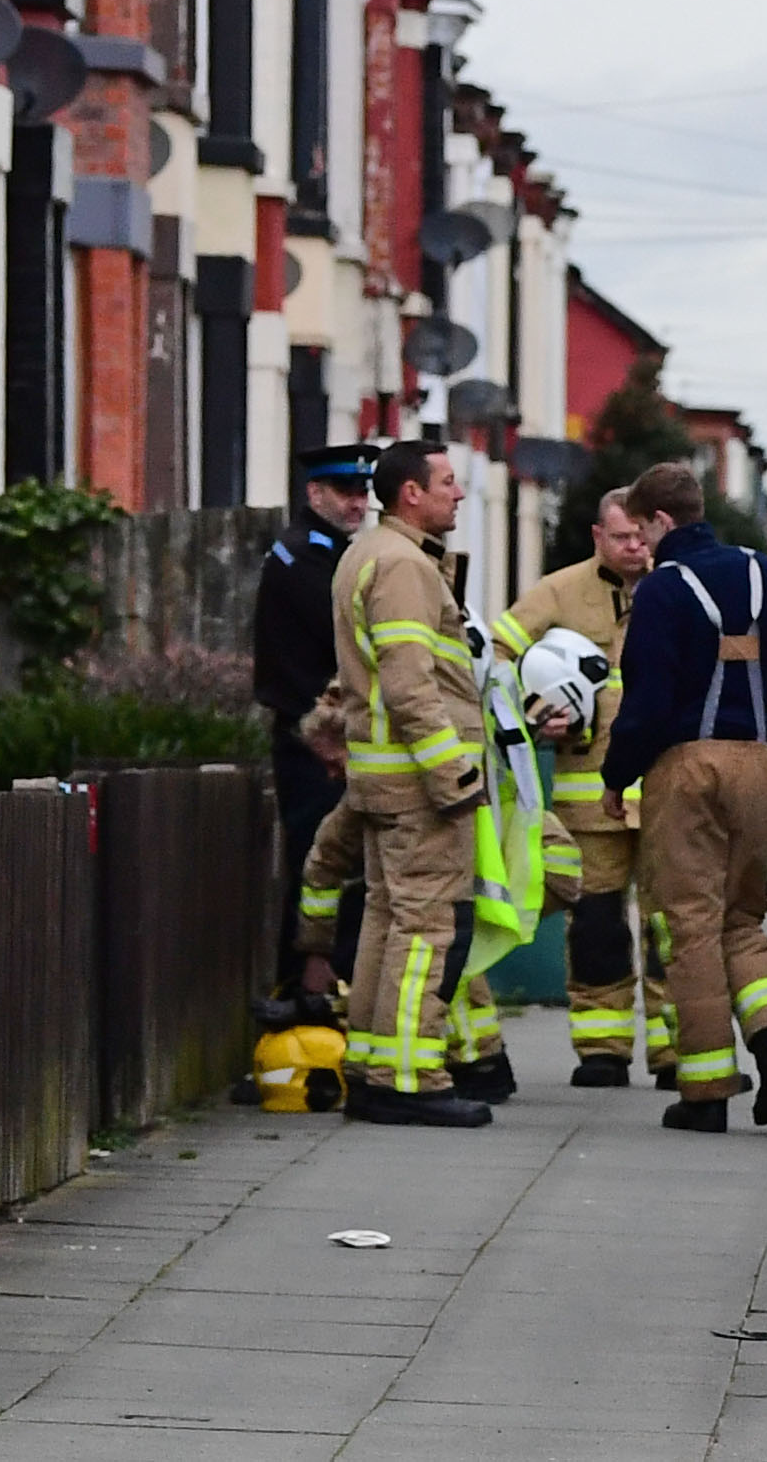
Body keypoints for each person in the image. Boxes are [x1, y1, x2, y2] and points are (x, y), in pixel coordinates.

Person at [607, 460, 767, 1132]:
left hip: (686, 768)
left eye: (642, 529)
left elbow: (645, 700)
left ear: (663, 520)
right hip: (756, 764)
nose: (639, 542)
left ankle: (704, 1090)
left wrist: (617, 774)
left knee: (691, 923)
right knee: (743, 915)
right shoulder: (762, 573)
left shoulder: (663, 591)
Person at [325, 439, 495, 1127]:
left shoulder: (371, 554)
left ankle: (372, 1064)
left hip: (383, 779)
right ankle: (408, 1075)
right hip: (420, 786)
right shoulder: (402, 565)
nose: (460, 493)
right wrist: (452, 769)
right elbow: (408, 684)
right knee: (425, 927)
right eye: (448, 482)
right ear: (410, 494)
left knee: (387, 920)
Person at [512, 487, 661, 1087]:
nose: (634, 547)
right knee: (597, 924)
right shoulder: (559, 591)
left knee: (669, 927)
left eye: (641, 536)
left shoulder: (676, 587)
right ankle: (602, 1049)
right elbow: (499, 654)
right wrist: (532, 708)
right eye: (621, 536)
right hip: (590, 796)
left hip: (664, 794)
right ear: (597, 536)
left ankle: (682, 1052)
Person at [250, 447, 375, 882]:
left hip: (322, 733)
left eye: (363, 491)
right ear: (314, 492)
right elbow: (346, 633)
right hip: (313, 739)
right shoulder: (305, 555)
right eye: (345, 491)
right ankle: (307, 953)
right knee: (318, 871)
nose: (357, 502)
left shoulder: (327, 551)